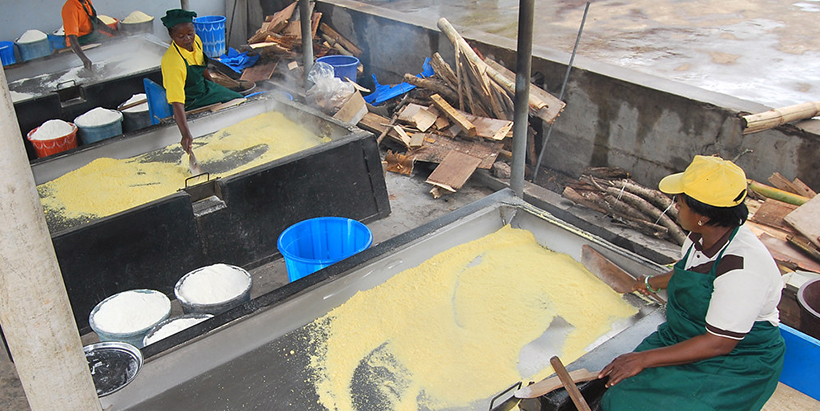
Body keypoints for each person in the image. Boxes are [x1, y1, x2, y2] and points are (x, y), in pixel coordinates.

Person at [599, 155, 785, 411]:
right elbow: (688, 274)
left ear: (704, 216)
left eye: (680, 202)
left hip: (736, 358)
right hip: (687, 334)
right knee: (618, 392)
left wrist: (643, 358)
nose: (675, 207)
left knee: (630, 404)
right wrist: (648, 282)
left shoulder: (742, 269)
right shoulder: (702, 237)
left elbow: (720, 343)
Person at [160, 9, 242, 153]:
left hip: (204, 88)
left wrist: (212, 84)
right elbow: (177, 102)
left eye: (190, 33)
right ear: (171, 36)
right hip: (191, 100)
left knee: (239, 100)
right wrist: (185, 134)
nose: (187, 39)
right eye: (181, 36)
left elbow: (201, 65)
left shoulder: (196, 41)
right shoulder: (173, 62)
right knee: (230, 108)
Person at [61, 0, 117, 70]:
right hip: (80, 42)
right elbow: (72, 38)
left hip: (91, 36)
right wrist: (84, 59)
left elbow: (95, 21)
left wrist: (115, 33)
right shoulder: (71, 9)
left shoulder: (86, 1)